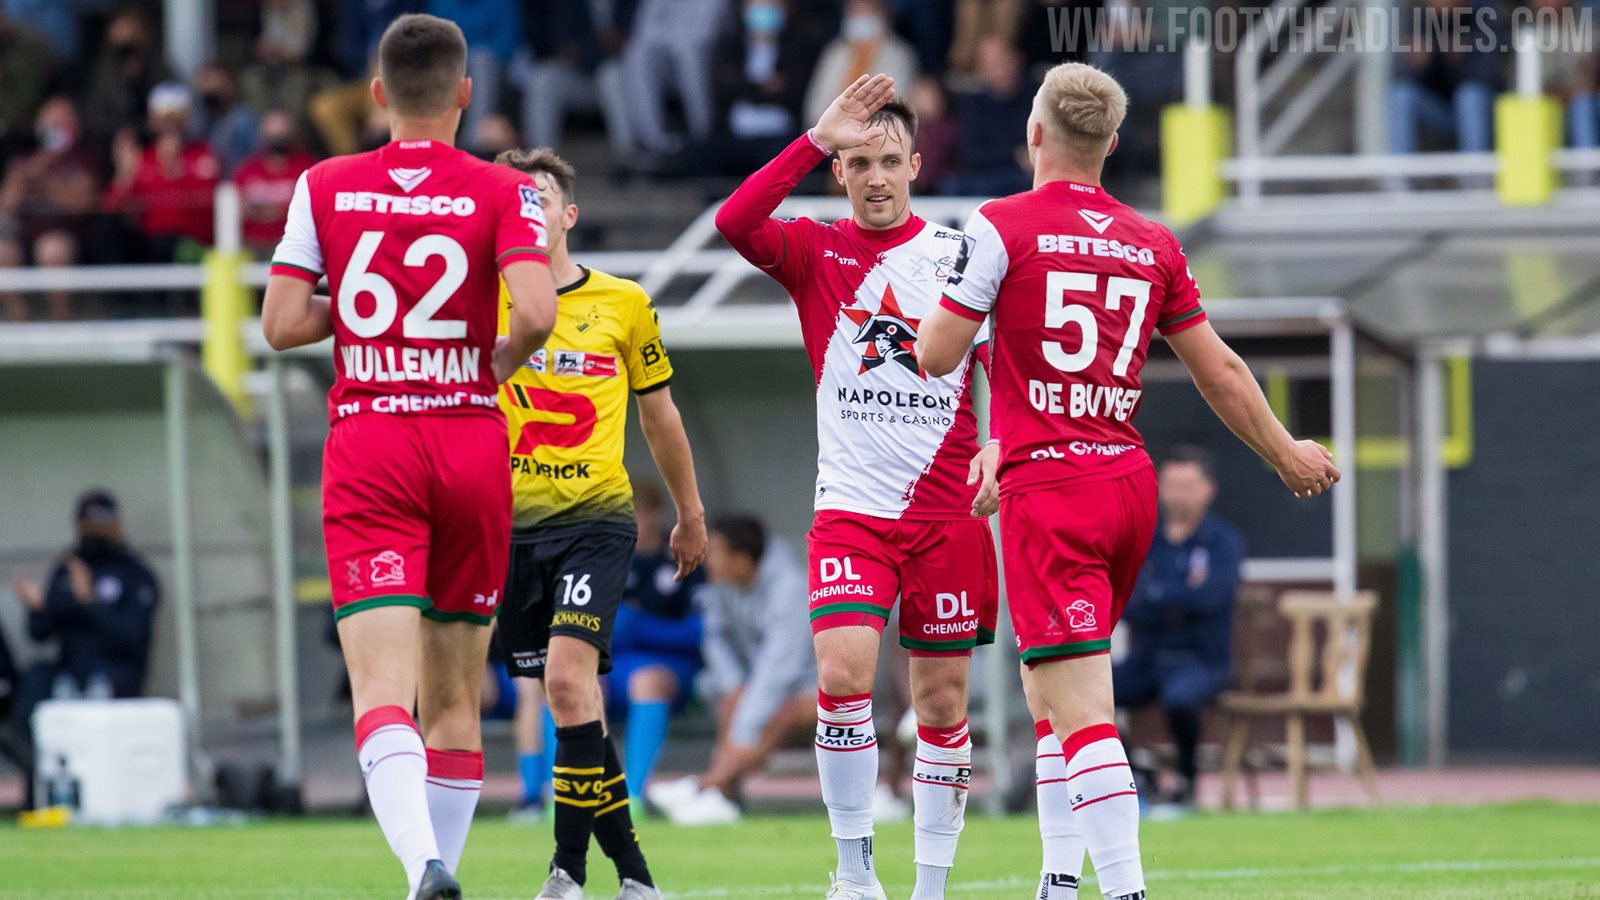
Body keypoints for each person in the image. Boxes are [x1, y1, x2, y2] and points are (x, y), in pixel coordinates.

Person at [917, 61, 1340, 900]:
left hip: (1054, 493)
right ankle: (1057, 879)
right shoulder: (1151, 242)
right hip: (1126, 484)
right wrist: (1284, 448)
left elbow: (936, 354)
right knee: (1052, 687)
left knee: (1082, 712)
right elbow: (1217, 368)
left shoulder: (1001, 224)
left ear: (1034, 133)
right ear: (1110, 145)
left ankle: (1127, 890)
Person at [260, 14, 559, 899]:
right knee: (458, 700)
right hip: (469, 436)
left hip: (374, 441)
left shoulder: (325, 183)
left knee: (382, 693)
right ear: (466, 94)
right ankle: (436, 874)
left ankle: (421, 866)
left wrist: (360, 322)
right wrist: (489, 362)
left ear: (379, 92)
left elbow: (278, 325)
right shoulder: (504, 191)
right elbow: (537, 314)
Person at [712, 74, 1000, 900]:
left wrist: (1002, 442)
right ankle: (854, 871)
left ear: (915, 164)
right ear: (839, 173)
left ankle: (932, 886)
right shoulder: (813, 251)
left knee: (941, 705)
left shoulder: (960, 255)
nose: (875, 177)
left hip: (948, 515)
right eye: (858, 162)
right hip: (851, 515)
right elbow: (736, 221)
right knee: (841, 675)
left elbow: (1006, 362)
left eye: (889, 160)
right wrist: (813, 137)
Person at [489, 146, 705, 900]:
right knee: (573, 705)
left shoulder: (622, 303)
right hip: (510, 530)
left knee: (566, 680)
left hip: (597, 519)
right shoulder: (477, 301)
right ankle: (638, 878)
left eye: (540, 198)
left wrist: (689, 511)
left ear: (567, 215)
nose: (528, 211)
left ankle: (565, 872)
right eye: (514, 200)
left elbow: (661, 415)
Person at [646, 514, 816, 826]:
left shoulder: (789, 587)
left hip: (811, 689)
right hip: (758, 684)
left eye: (718, 551)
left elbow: (779, 671)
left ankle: (707, 787)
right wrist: (735, 685)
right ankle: (720, 798)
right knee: (730, 702)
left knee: (781, 712)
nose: (709, 559)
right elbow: (714, 638)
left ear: (743, 559)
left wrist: (745, 717)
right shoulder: (720, 583)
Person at [1115, 445, 1244, 810]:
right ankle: (1133, 775)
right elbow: (1128, 600)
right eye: (1171, 484)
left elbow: (1210, 599)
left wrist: (1158, 599)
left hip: (1203, 658)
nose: (1178, 494)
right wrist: (1176, 598)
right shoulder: (1145, 538)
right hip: (1149, 656)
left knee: (1180, 698)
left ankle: (1187, 779)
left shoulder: (1223, 542)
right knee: (1091, 697)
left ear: (1208, 489)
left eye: (1188, 485)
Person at [606, 479, 707, 799]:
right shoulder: (603, 557)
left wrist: (641, 626)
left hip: (670, 663)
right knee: (572, 681)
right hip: (614, 661)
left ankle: (631, 795)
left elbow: (703, 629)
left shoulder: (683, 553)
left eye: (634, 513)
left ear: (655, 514)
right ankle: (571, 793)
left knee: (647, 681)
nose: (629, 522)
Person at [0, 96, 103, 320]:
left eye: (62, 121)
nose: (55, 127)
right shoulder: (23, 162)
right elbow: (5, 207)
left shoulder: (84, 160)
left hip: (69, 236)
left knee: (51, 249)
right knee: (2, 251)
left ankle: (61, 319)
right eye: (50, 121)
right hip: (25, 235)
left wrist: (47, 181)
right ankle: (18, 320)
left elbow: (81, 204)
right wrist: (26, 174)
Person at [103, 83, 221, 262]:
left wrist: (174, 167)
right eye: (163, 116)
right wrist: (124, 172)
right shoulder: (140, 159)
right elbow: (112, 207)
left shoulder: (203, 155)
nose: (169, 123)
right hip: (149, 249)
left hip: (197, 245)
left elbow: (208, 202)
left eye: (175, 115)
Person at [942, 37, 1034, 197]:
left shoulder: (1037, 96)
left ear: (1017, 59)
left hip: (1029, 175)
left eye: (1003, 60)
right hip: (989, 177)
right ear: (981, 71)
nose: (1001, 69)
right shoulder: (971, 104)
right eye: (992, 64)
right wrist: (1015, 154)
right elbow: (970, 153)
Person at [802, 0, 918, 127]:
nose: (858, 16)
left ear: (882, 14)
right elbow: (815, 104)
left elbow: (894, 104)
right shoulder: (835, 51)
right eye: (853, 11)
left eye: (864, 11)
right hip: (831, 134)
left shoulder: (899, 54)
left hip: (875, 134)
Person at [232, 110, 315, 258]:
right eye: (272, 133)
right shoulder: (247, 169)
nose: (277, 138)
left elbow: (310, 209)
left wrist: (264, 211)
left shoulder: (307, 167)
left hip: (294, 245)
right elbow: (237, 209)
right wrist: (277, 210)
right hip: (252, 245)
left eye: (282, 132)